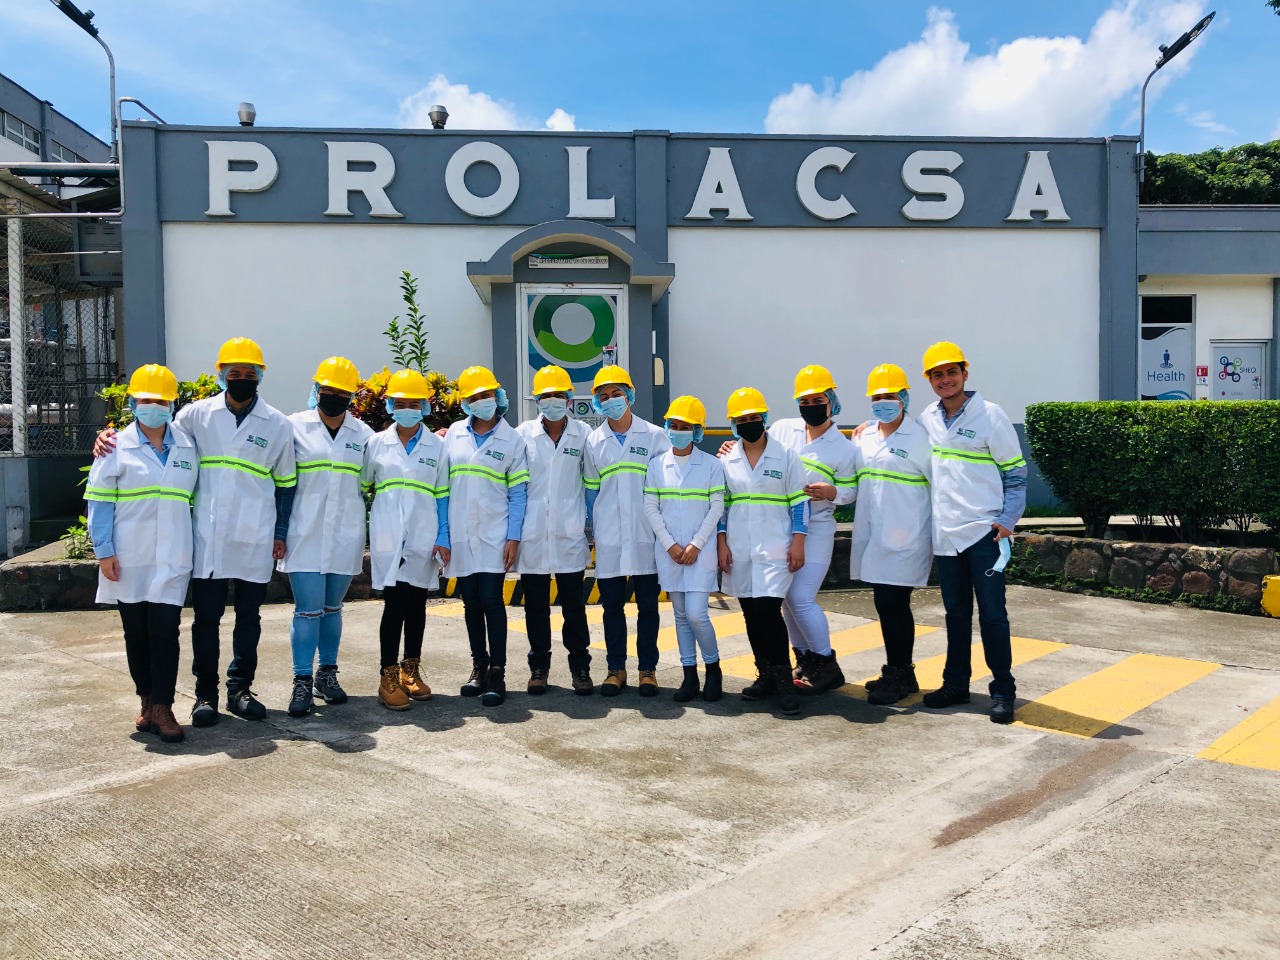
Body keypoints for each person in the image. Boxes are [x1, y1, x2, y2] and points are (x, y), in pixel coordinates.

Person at [93, 337, 297, 725]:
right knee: (206, 618)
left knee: (249, 618)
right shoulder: (194, 417)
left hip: (254, 535)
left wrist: (280, 531)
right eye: (233, 373)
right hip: (206, 537)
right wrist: (106, 438)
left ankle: (240, 688)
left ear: (260, 377)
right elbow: (151, 436)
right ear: (221, 375)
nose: (240, 379)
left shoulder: (277, 424)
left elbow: (286, 483)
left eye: (248, 374)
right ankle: (206, 694)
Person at [86, 364, 199, 743]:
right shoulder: (115, 445)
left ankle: (164, 706)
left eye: (161, 400)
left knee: (166, 630)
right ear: (134, 402)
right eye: (146, 399)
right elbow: (99, 502)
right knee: (135, 631)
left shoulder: (188, 444)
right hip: (129, 555)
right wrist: (103, 550)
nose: (153, 405)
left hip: (173, 553)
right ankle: (147, 700)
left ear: (172, 403)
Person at [917, 341, 1027, 724]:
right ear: (929, 380)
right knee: (955, 615)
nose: (945, 380)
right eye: (937, 374)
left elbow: (1015, 474)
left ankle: (1003, 690)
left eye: (951, 372)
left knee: (993, 616)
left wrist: (1008, 520)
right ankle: (956, 684)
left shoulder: (990, 415)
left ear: (965, 373)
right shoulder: (926, 418)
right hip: (946, 535)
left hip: (985, 534)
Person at [278, 357, 373, 717]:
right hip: (304, 534)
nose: (333, 396)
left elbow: (389, 462)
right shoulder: (292, 427)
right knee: (307, 610)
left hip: (345, 534)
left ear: (351, 396)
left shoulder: (363, 436)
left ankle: (327, 674)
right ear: (316, 390)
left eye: (341, 392)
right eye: (327, 390)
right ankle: (301, 680)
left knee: (333, 609)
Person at [716, 388, 809, 717]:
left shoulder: (785, 456)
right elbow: (722, 507)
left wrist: (799, 540)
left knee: (769, 612)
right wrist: (721, 542)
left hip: (775, 548)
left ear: (764, 419)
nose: (749, 423)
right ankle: (765, 674)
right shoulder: (727, 459)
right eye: (742, 420)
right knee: (751, 614)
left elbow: (800, 502)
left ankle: (783, 678)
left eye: (754, 418)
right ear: (733, 424)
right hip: (740, 549)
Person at [767, 365, 858, 694]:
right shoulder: (782, 429)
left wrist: (832, 492)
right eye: (804, 401)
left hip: (817, 527)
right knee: (786, 601)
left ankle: (826, 662)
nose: (810, 406)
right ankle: (805, 659)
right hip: (781, 526)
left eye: (817, 399)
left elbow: (851, 491)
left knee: (800, 596)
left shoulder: (844, 447)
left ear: (831, 401)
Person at [848, 363, 934, 705]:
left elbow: (938, 485)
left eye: (890, 395)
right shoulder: (864, 436)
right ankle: (901, 671)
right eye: (877, 396)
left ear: (904, 398)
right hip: (875, 534)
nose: (883, 401)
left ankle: (898, 673)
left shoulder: (920, 438)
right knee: (886, 603)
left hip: (906, 535)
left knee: (892, 602)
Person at [443, 365, 528, 707]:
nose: (482, 402)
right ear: (465, 402)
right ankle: (478, 666)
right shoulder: (452, 435)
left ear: (498, 396)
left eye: (487, 395)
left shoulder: (512, 439)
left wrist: (513, 537)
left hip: (495, 533)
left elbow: (519, 493)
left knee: (493, 601)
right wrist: (443, 535)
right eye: (475, 397)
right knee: (471, 602)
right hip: (462, 534)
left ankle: (497, 671)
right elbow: (442, 489)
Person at [583, 365, 671, 696]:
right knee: (611, 608)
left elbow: (665, 487)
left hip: (647, 535)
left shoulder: (654, 436)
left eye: (617, 394)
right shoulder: (594, 441)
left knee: (648, 606)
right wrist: (592, 532)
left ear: (630, 395)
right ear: (597, 403)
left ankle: (647, 670)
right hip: (609, 537)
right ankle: (615, 670)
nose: (611, 400)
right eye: (603, 396)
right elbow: (592, 492)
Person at [366, 369, 451, 710]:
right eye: (400, 403)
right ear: (390, 405)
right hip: (388, 535)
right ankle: (387, 676)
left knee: (417, 604)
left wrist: (443, 535)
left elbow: (443, 493)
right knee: (394, 604)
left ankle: (409, 671)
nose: (406, 409)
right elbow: (364, 487)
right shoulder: (376, 444)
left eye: (413, 403)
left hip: (423, 533)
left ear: (424, 407)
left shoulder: (437, 446)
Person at [515, 365, 593, 695]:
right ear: (537, 402)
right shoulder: (522, 435)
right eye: (545, 397)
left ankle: (580, 667)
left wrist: (591, 530)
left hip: (569, 534)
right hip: (533, 534)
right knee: (536, 607)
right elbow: (514, 486)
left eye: (558, 396)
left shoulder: (584, 435)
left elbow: (592, 484)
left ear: (569, 400)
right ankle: (539, 668)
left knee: (574, 606)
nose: (552, 402)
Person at [643, 395, 726, 702]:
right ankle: (689, 676)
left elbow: (717, 508)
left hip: (699, 552)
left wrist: (695, 545)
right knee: (679, 614)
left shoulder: (712, 466)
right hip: (670, 553)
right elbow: (651, 507)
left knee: (696, 614)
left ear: (697, 431)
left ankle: (713, 669)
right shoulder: (656, 466)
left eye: (684, 426)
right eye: (673, 425)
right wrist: (669, 545)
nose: (677, 431)